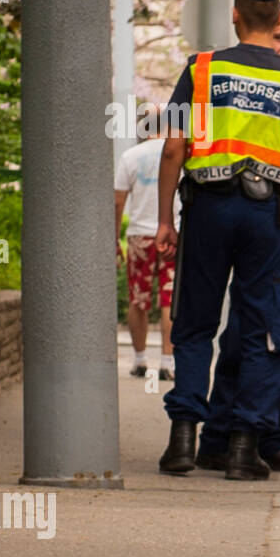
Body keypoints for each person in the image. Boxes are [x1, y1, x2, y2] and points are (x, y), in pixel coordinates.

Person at [155, 0, 280, 481]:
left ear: (234, 15)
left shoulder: (202, 69)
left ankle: (183, 441)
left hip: (208, 210)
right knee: (262, 331)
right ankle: (242, 448)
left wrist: (166, 219)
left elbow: (173, 147)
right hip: (270, 219)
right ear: (278, 19)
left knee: (194, 323)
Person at [196, 2, 280, 474]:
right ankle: (239, 437)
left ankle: (250, 434)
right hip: (265, 231)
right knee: (258, 338)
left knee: (273, 340)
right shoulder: (256, 92)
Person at [115, 116, 179, 380]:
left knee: (138, 299)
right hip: (173, 233)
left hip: (140, 236)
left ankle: (140, 360)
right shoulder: (179, 153)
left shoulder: (131, 156)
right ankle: (167, 362)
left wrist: (113, 240)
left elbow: (117, 203)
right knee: (170, 298)